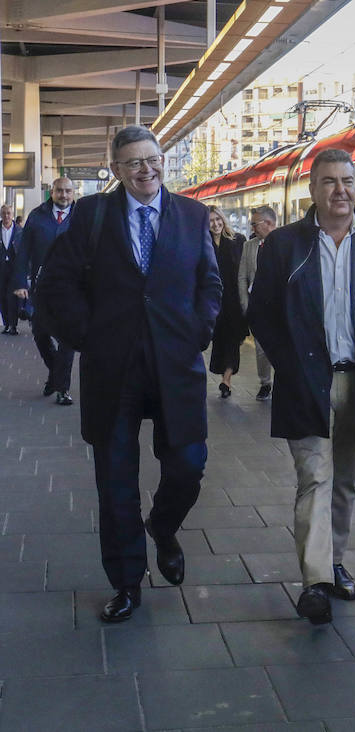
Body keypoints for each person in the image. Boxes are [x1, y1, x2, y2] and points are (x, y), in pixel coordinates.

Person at [37, 126, 220, 623]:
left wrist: (198, 331)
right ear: (116, 169)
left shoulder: (192, 215)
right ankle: (126, 582)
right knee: (115, 481)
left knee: (188, 463)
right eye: (134, 162)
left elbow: (210, 282)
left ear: (163, 160)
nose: (147, 169)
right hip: (112, 371)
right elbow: (56, 284)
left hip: (175, 368)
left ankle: (162, 526)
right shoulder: (92, 215)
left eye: (153, 159)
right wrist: (90, 334)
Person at [248, 148, 355, 625]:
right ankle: (314, 582)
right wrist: (289, 365)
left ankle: (334, 560)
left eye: (347, 181)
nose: (340, 190)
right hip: (308, 385)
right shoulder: (284, 244)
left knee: (345, 481)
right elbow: (260, 314)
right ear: (312, 190)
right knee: (315, 479)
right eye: (329, 182)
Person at [11, 177, 77, 404]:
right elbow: (24, 252)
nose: (64, 195)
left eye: (68, 191)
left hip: (73, 288)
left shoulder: (82, 217)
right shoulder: (37, 216)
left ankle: (62, 390)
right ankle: (56, 375)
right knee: (40, 333)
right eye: (60, 191)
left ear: (73, 192)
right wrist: (20, 282)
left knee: (68, 339)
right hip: (43, 288)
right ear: (52, 192)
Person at [206, 207, 248, 398]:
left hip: (235, 300)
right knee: (220, 340)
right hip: (214, 302)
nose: (215, 224)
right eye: (211, 221)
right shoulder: (203, 243)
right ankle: (224, 374)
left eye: (218, 219)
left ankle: (227, 380)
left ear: (223, 219)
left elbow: (245, 270)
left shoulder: (238, 241)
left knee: (233, 340)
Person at [238, 205, 277, 401]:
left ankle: (284, 382)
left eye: (255, 224)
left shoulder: (285, 242)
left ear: (269, 223)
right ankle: (265, 382)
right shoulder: (249, 246)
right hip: (258, 308)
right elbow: (242, 277)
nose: (252, 228)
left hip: (280, 308)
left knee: (283, 348)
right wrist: (246, 305)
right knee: (261, 349)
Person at [0, 205, 20, 335]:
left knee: (13, 296)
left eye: (8, 213)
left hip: (14, 268)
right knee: (2, 296)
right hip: (1, 268)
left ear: (12, 215)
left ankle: (13, 325)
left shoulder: (19, 231)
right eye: (4, 213)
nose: (6, 216)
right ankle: (6, 324)